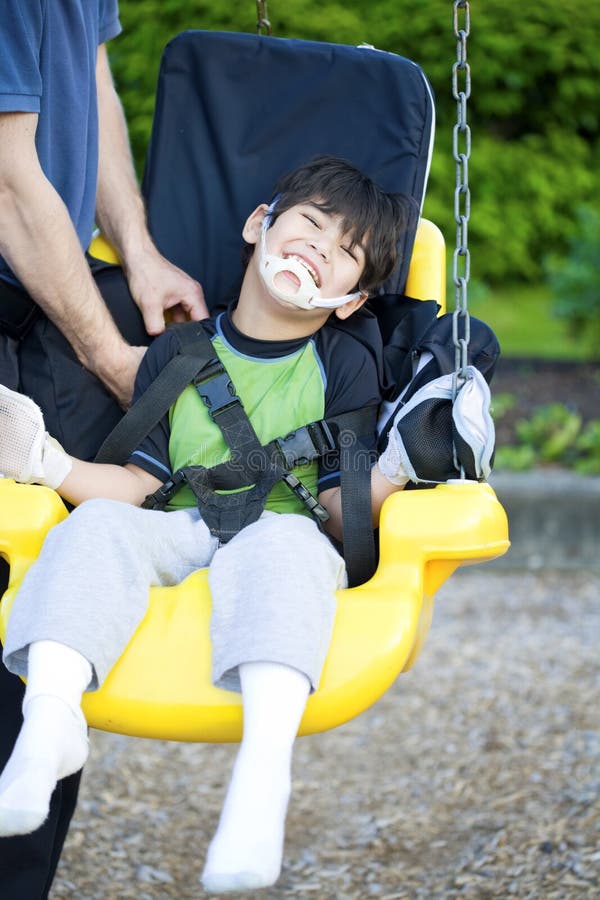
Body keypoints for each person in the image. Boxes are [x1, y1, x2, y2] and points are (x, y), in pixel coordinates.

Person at [0, 156, 414, 892]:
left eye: (344, 252)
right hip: (179, 523)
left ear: (351, 298)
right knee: (93, 526)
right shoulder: (179, 354)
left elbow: (339, 511)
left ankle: (263, 780)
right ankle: (50, 721)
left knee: (284, 542)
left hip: (281, 534)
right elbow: (135, 484)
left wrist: (405, 465)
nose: (320, 248)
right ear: (261, 225)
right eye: (310, 224)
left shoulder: (343, 362)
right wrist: (46, 462)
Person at [0, 3, 208, 896]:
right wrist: (109, 353)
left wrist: (139, 250)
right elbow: (8, 179)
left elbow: (89, 77)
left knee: (51, 570)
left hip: (41, 282)